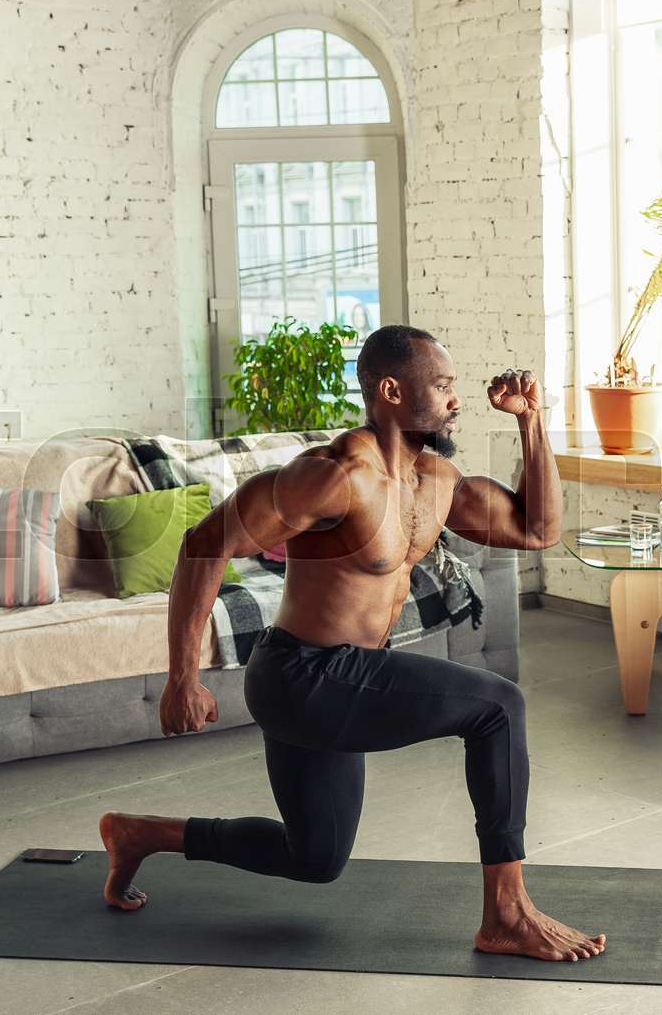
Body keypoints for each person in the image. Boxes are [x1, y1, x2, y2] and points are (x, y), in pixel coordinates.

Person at [98, 325, 605, 963]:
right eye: (442, 386)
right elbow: (204, 541)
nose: (456, 400)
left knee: (315, 858)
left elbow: (537, 531)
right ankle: (505, 913)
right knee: (498, 707)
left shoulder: (437, 482)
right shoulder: (333, 476)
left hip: (343, 676)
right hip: (300, 676)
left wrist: (534, 424)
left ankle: (140, 834)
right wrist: (182, 677)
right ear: (392, 391)